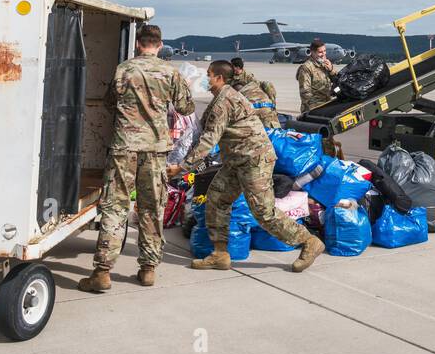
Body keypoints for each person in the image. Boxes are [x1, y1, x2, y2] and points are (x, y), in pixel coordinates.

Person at [168, 62, 323, 271]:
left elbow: (207, 140)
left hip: (254, 160)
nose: (206, 79)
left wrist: (182, 168)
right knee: (217, 199)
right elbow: (201, 130)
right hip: (236, 160)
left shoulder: (225, 101)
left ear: (220, 78)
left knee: (263, 211)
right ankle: (220, 254)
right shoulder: (221, 98)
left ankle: (309, 242)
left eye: (209, 75)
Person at [79, 24, 195, 293]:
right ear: (160, 44)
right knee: (152, 209)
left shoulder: (124, 69)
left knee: (116, 207)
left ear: (138, 44)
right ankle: (148, 269)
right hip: (155, 150)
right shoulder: (170, 72)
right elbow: (186, 108)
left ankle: (102, 271)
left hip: (124, 148)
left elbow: (110, 102)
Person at [296, 39, 337, 114]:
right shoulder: (306, 68)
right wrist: (315, 110)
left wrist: (331, 69)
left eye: (324, 51)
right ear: (312, 52)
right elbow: (305, 93)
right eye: (320, 52)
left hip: (327, 104)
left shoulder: (325, 64)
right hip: (314, 108)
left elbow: (337, 80)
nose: (324, 54)